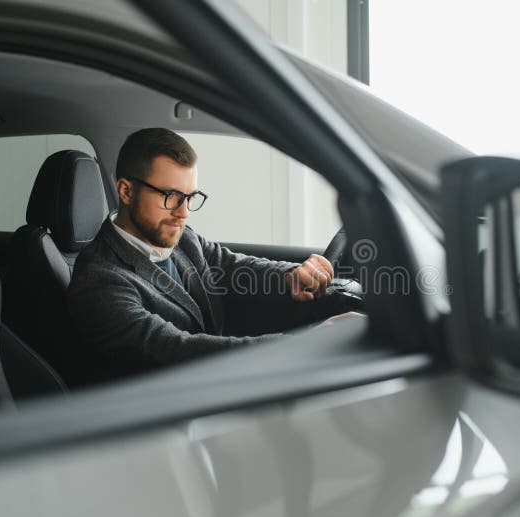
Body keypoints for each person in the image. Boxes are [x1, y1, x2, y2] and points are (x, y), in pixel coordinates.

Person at [67, 128, 336, 379]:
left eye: (190, 197)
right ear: (126, 191)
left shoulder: (181, 238)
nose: (183, 213)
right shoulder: (99, 281)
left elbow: (230, 267)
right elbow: (177, 349)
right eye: (171, 196)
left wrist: (290, 277)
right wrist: (308, 343)